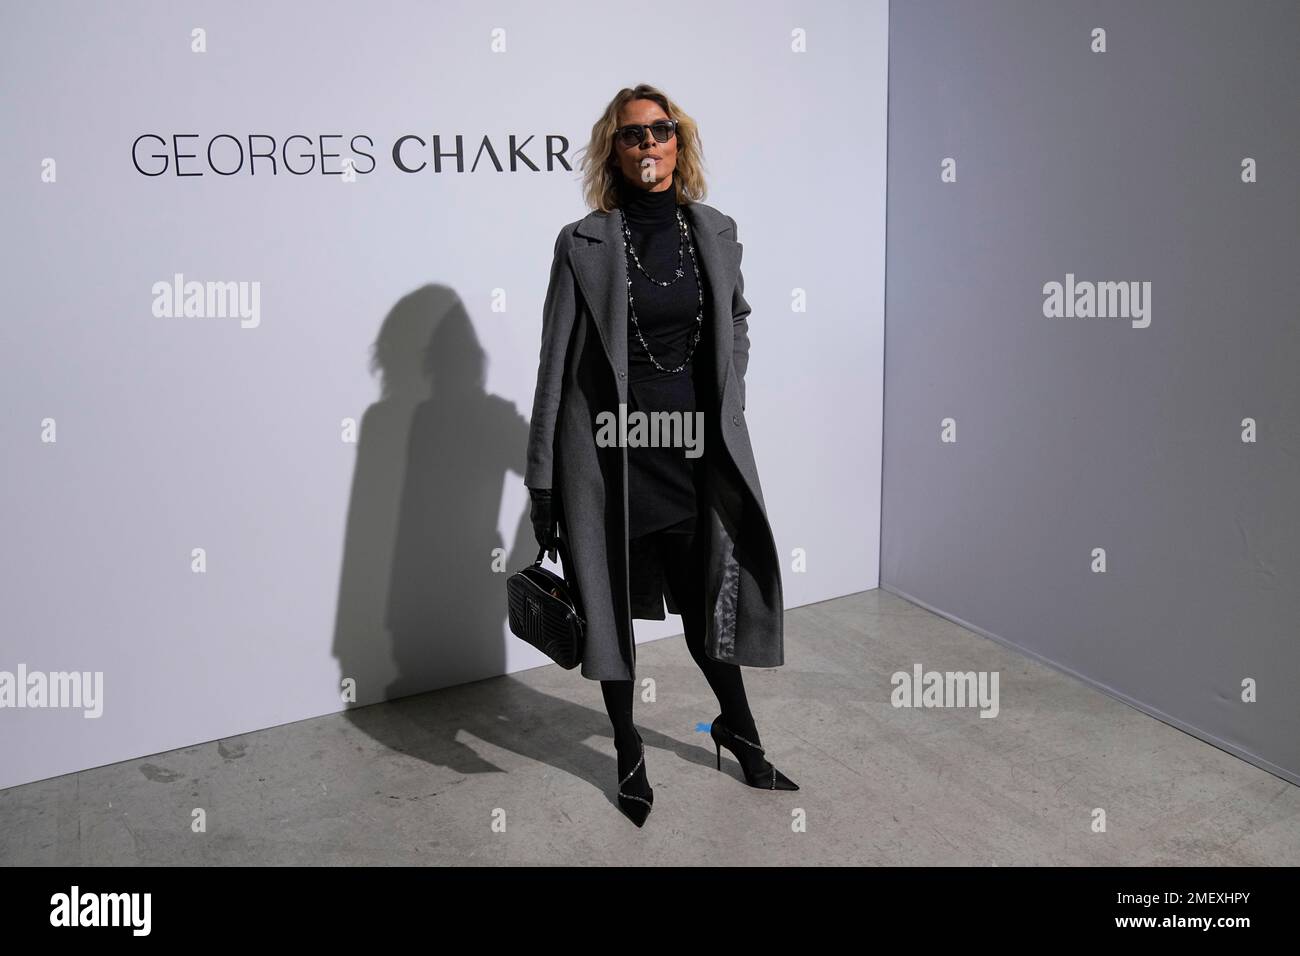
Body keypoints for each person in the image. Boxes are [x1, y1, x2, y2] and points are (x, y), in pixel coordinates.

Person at [525, 84, 797, 827]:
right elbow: (553, 365)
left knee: (703, 596)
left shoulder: (715, 230)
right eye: (633, 135)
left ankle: (737, 729)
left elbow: (737, 318)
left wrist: (730, 393)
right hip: (612, 458)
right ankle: (625, 747)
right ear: (614, 151)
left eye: (661, 131)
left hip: (693, 451)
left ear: (681, 143)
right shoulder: (583, 240)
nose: (649, 145)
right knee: (609, 609)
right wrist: (544, 481)